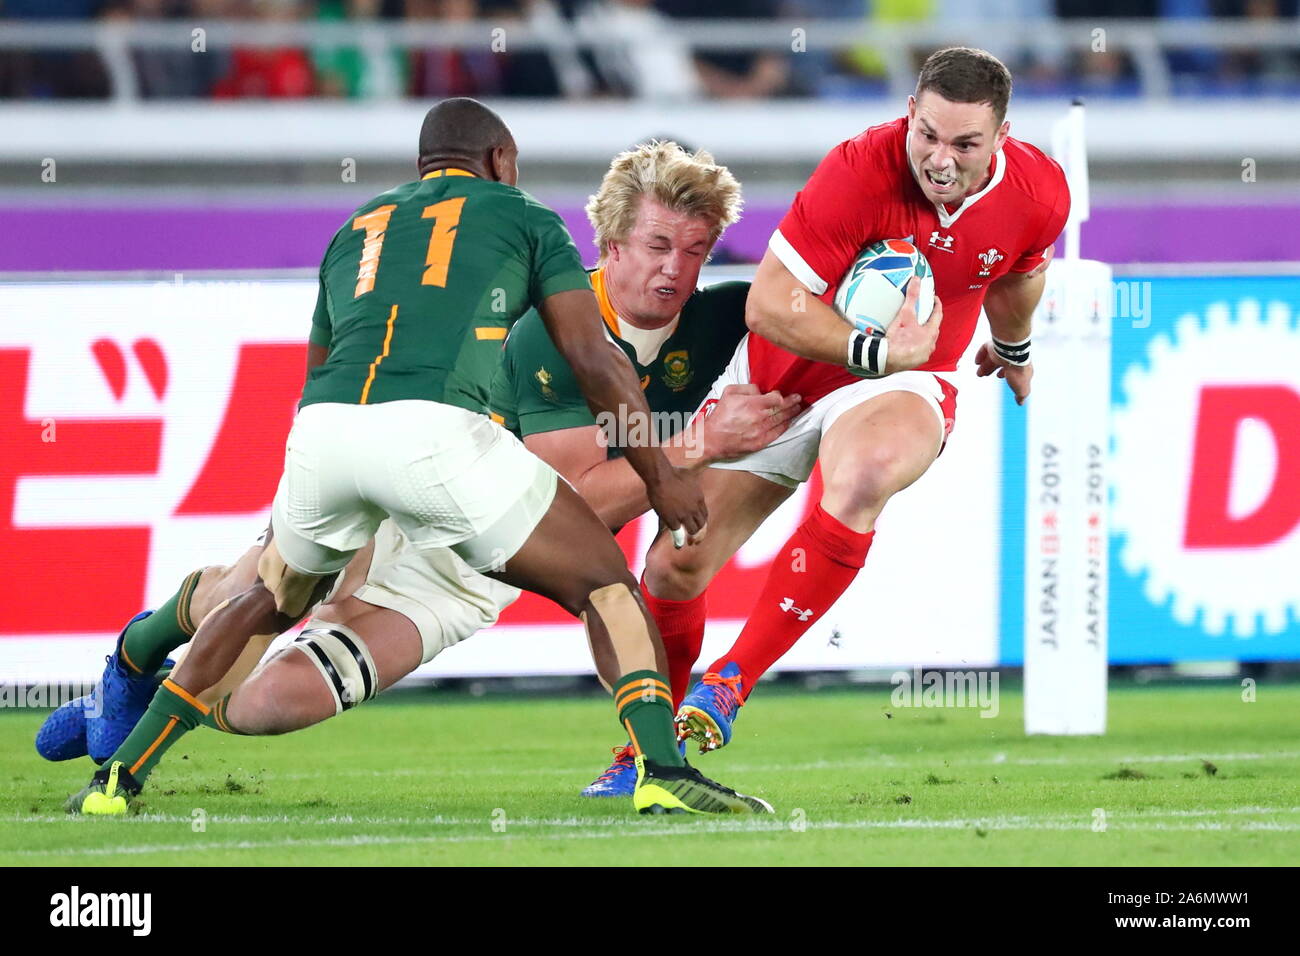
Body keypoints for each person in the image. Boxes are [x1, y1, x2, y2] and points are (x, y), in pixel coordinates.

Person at [66, 98, 770, 818]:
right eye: (658, 246)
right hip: (438, 451)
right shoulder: (526, 219)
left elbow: (321, 368)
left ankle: (117, 774)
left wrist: (334, 486)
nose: (676, 269)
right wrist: (672, 467)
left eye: (693, 252)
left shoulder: (357, 228)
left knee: (262, 624)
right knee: (605, 587)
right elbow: (595, 360)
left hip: (328, 433)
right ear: (501, 161)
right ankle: (658, 768)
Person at [641, 47, 1070, 753]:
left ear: (1002, 136)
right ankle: (651, 749)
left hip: (908, 379)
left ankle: (728, 684)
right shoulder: (857, 170)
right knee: (673, 563)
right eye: (927, 134)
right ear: (909, 112)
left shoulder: (1040, 191)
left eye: (964, 144)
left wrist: (1014, 349)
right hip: (787, 377)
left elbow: (1018, 274)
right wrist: (874, 349)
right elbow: (768, 304)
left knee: (866, 471)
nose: (939, 158)